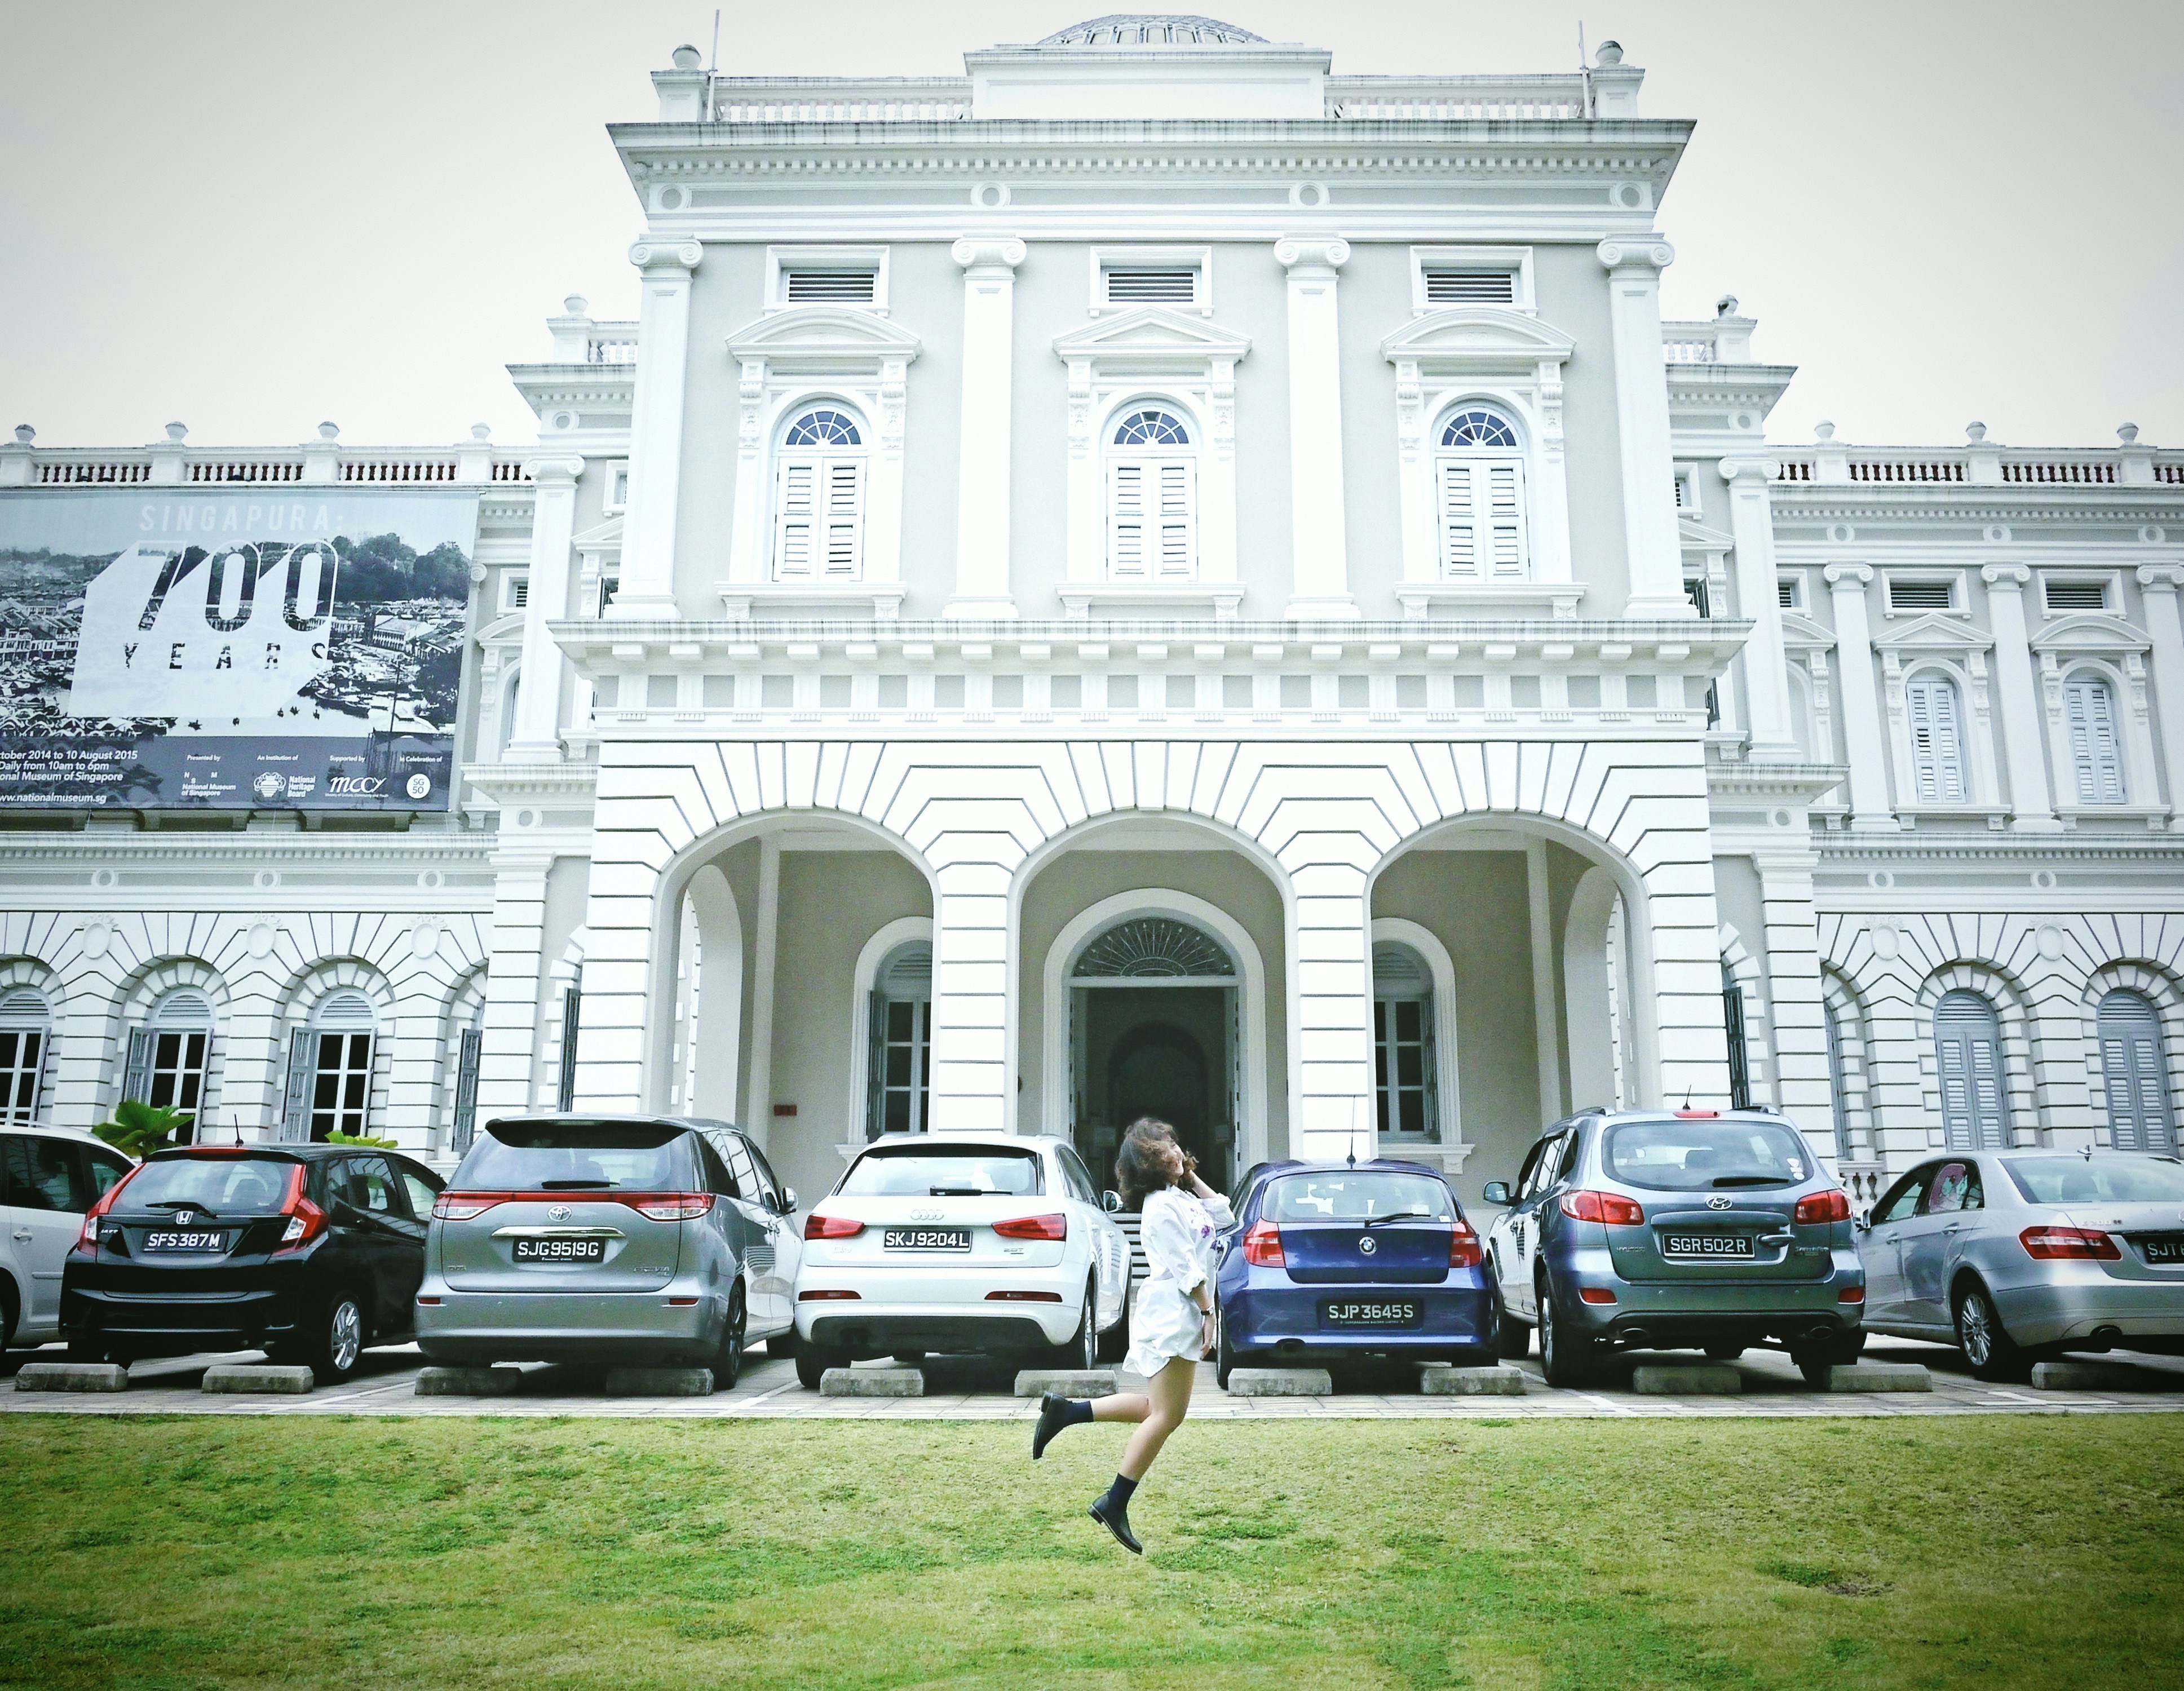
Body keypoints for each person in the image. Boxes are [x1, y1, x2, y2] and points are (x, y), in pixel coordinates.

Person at [1031, 1117, 1231, 1554]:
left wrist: (1190, 1173)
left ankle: (1066, 1413)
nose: (1175, 1153)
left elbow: (1224, 1214)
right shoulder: (1159, 1207)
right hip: (1174, 1313)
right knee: (1166, 1416)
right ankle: (1115, 1499)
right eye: (1163, 1150)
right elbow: (1185, 1267)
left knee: (1156, 1409)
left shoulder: (1180, 1197)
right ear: (1147, 1165)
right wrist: (1208, 1312)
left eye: (1175, 1144)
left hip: (1181, 1311)